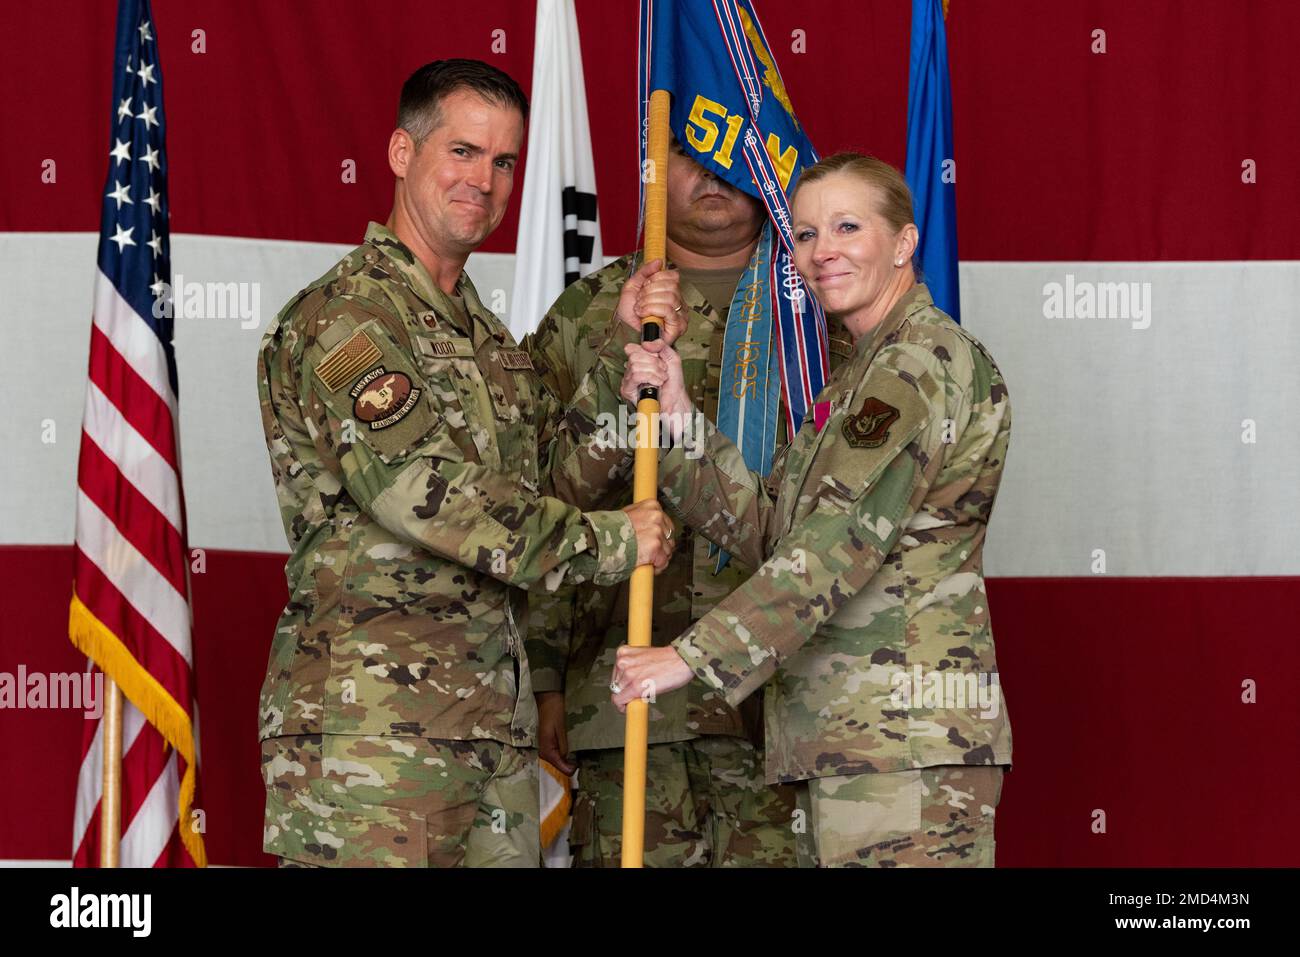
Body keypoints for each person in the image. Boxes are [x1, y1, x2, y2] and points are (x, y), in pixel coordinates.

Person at [255, 59, 675, 868]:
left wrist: (627, 373)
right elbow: (425, 496)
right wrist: (610, 543)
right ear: (401, 153)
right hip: (375, 741)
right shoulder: (348, 317)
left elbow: (550, 475)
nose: (483, 180)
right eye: (462, 151)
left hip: (492, 735)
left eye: (504, 161)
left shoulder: (483, 338)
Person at [610, 153, 1014, 867]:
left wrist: (686, 657)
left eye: (848, 227)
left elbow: (833, 548)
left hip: (900, 744)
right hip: (851, 740)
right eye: (804, 233)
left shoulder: (916, 363)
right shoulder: (858, 374)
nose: (821, 251)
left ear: (904, 242)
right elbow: (773, 530)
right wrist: (677, 416)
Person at [525, 138, 854, 867]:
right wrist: (544, 675)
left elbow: (848, 518)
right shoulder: (589, 311)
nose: (712, 171)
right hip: (623, 697)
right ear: (652, 168)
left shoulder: (821, 307)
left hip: (781, 706)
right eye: (689, 150)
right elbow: (541, 499)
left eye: (732, 148)